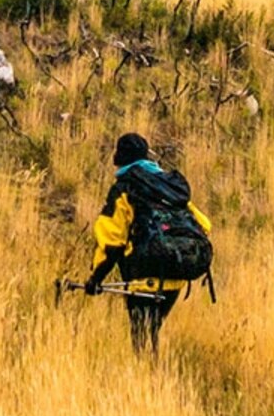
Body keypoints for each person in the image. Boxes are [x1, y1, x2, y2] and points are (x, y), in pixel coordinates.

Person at [84, 133, 213, 356]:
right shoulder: (169, 185)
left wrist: (95, 279)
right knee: (151, 331)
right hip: (177, 275)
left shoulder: (125, 188)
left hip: (144, 278)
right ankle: (153, 380)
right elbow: (205, 224)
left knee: (142, 339)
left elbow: (112, 241)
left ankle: (149, 383)